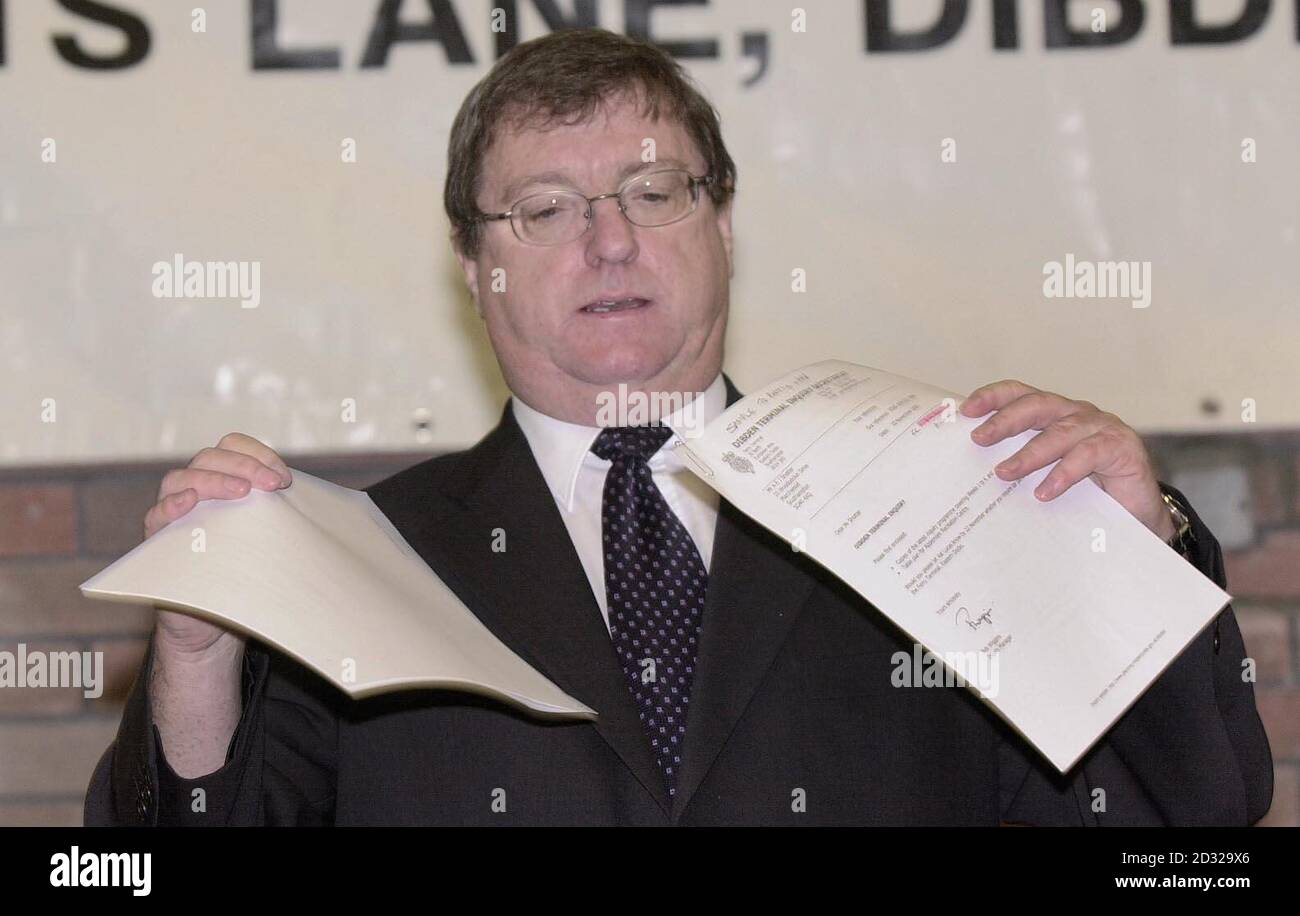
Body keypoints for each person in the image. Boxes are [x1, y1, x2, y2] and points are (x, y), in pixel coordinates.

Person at [86, 28, 1271, 826]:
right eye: (544, 209)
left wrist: (1137, 549)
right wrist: (197, 660)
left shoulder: (930, 500)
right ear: (472, 265)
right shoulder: (362, 558)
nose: (609, 243)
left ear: (723, 224)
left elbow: (1195, 818)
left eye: (653, 193)